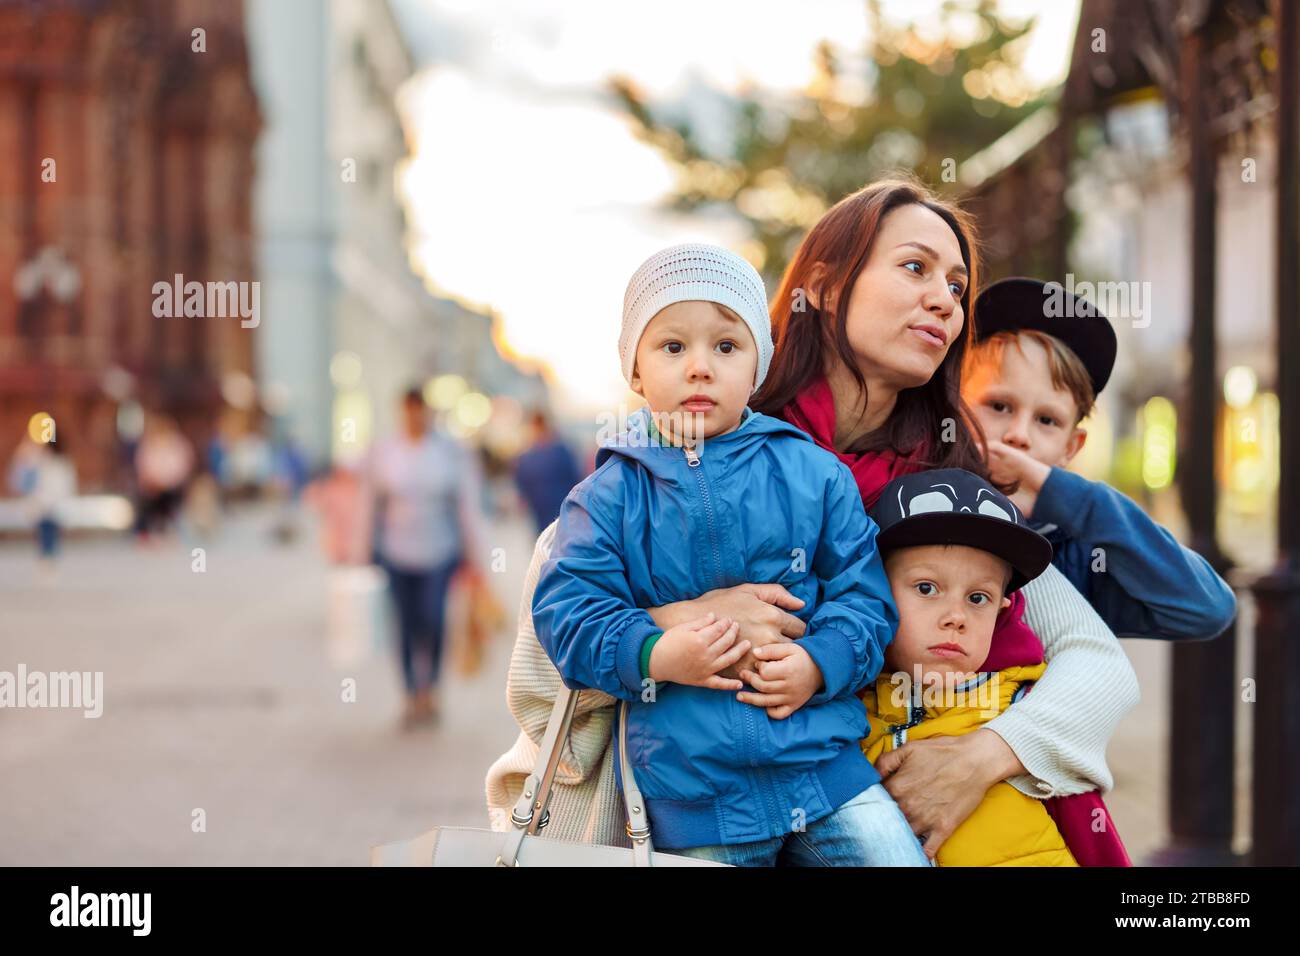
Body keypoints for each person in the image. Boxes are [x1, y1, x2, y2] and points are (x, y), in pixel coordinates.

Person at [487, 179, 1139, 862]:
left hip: (848, 790)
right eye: (915, 267)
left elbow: (1098, 666)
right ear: (825, 287)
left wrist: (983, 757)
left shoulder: (944, 487)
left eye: (956, 285)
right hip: (689, 805)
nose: (944, 299)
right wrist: (681, 621)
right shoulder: (668, 454)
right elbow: (547, 657)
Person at [532, 244, 927, 865]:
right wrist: (657, 652)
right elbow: (569, 615)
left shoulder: (814, 474)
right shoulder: (606, 497)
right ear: (634, 371)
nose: (699, 368)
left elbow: (865, 599)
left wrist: (818, 664)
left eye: (725, 346)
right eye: (672, 347)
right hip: (695, 802)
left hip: (825, 774)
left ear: (757, 367)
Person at [963, 277, 1237, 641]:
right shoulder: (911, 500)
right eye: (998, 406)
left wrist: (1077, 501)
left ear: (1071, 447)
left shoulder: (1082, 555)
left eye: (1047, 420)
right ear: (957, 406)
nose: (1019, 434)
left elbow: (1208, 609)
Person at [862, 467, 1100, 866]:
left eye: (978, 598)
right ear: (876, 591)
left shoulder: (1028, 707)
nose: (956, 616)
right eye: (926, 588)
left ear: (1003, 610)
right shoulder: (842, 716)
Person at [358, 387, 487, 728]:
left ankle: (431, 688)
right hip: (396, 552)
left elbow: (466, 505)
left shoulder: (448, 452)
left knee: (433, 618)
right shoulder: (386, 452)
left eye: (420, 411)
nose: (415, 417)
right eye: (408, 411)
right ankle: (411, 693)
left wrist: (477, 555)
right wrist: (363, 549)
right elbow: (370, 503)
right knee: (405, 623)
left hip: (440, 551)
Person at [512, 410, 584, 533]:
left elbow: (575, 477)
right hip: (542, 508)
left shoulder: (560, 451)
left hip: (559, 505)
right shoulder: (529, 455)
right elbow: (521, 480)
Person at [133, 414, 194, 541]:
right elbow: (144, 465)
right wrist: (152, 480)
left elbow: (181, 466)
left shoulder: (176, 445)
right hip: (152, 486)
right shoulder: (149, 445)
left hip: (172, 486)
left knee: (170, 499)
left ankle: (169, 529)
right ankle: (143, 532)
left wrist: (167, 481)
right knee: (145, 500)